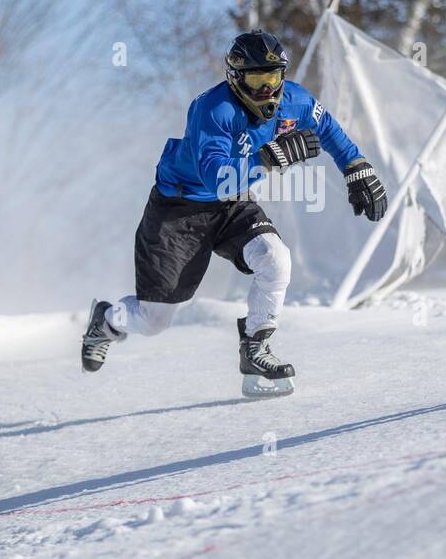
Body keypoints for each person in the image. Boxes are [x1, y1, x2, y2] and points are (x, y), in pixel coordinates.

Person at [80, 29, 388, 396]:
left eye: (273, 78)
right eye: (257, 80)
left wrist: (356, 166)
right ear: (236, 78)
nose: (266, 91)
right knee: (154, 320)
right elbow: (216, 178)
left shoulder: (296, 101)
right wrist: (271, 157)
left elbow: (328, 128)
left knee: (276, 258)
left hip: (232, 203)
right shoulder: (213, 109)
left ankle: (255, 347)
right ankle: (106, 321)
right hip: (179, 209)